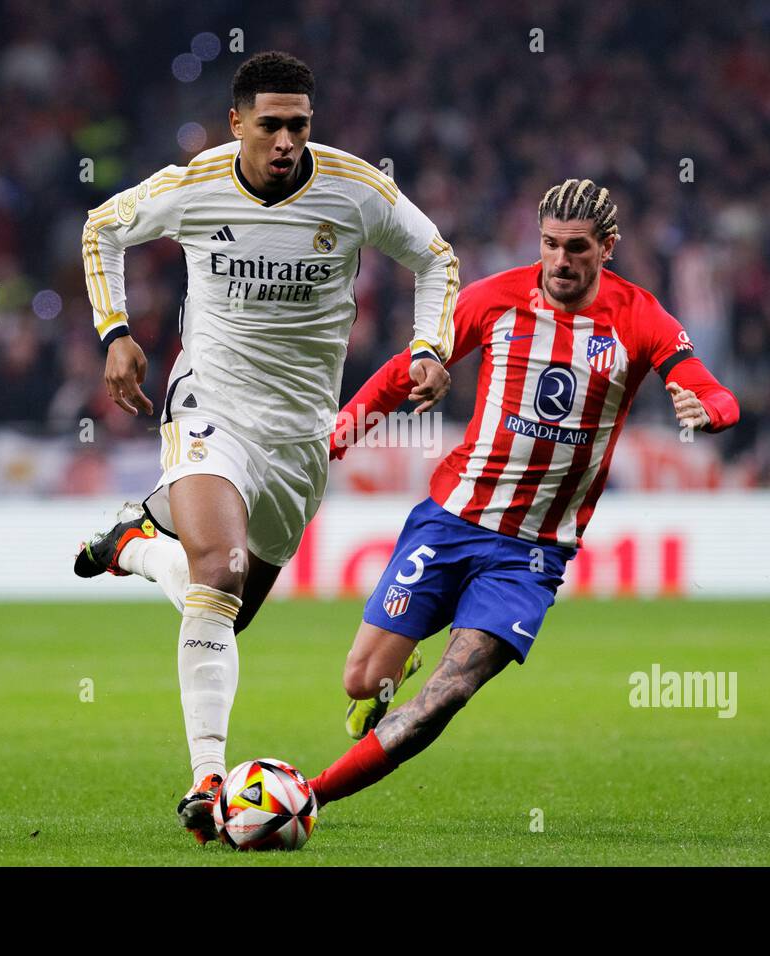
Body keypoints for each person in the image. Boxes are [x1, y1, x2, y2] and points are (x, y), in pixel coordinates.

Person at [74, 51, 457, 843]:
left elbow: (436, 257)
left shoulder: (356, 190)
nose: (286, 141)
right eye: (272, 125)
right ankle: (207, 779)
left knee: (222, 610)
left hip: (300, 438)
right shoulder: (196, 184)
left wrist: (431, 345)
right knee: (221, 567)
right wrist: (114, 334)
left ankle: (137, 547)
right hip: (209, 401)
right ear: (237, 124)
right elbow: (102, 226)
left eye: (299, 126)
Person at [310, 178, 739, 806]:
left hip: (529, 555)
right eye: (550, 244)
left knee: (448, 695)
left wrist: (709, 410)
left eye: (578, 247)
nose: (561, 260)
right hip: (451, 518)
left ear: (608, 246)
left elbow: (716, 391)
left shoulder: (640, 316)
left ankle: (312, 795)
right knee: (361, 680)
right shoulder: (494, 299)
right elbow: (411, 365)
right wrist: (345, 428)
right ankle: (392, 667)